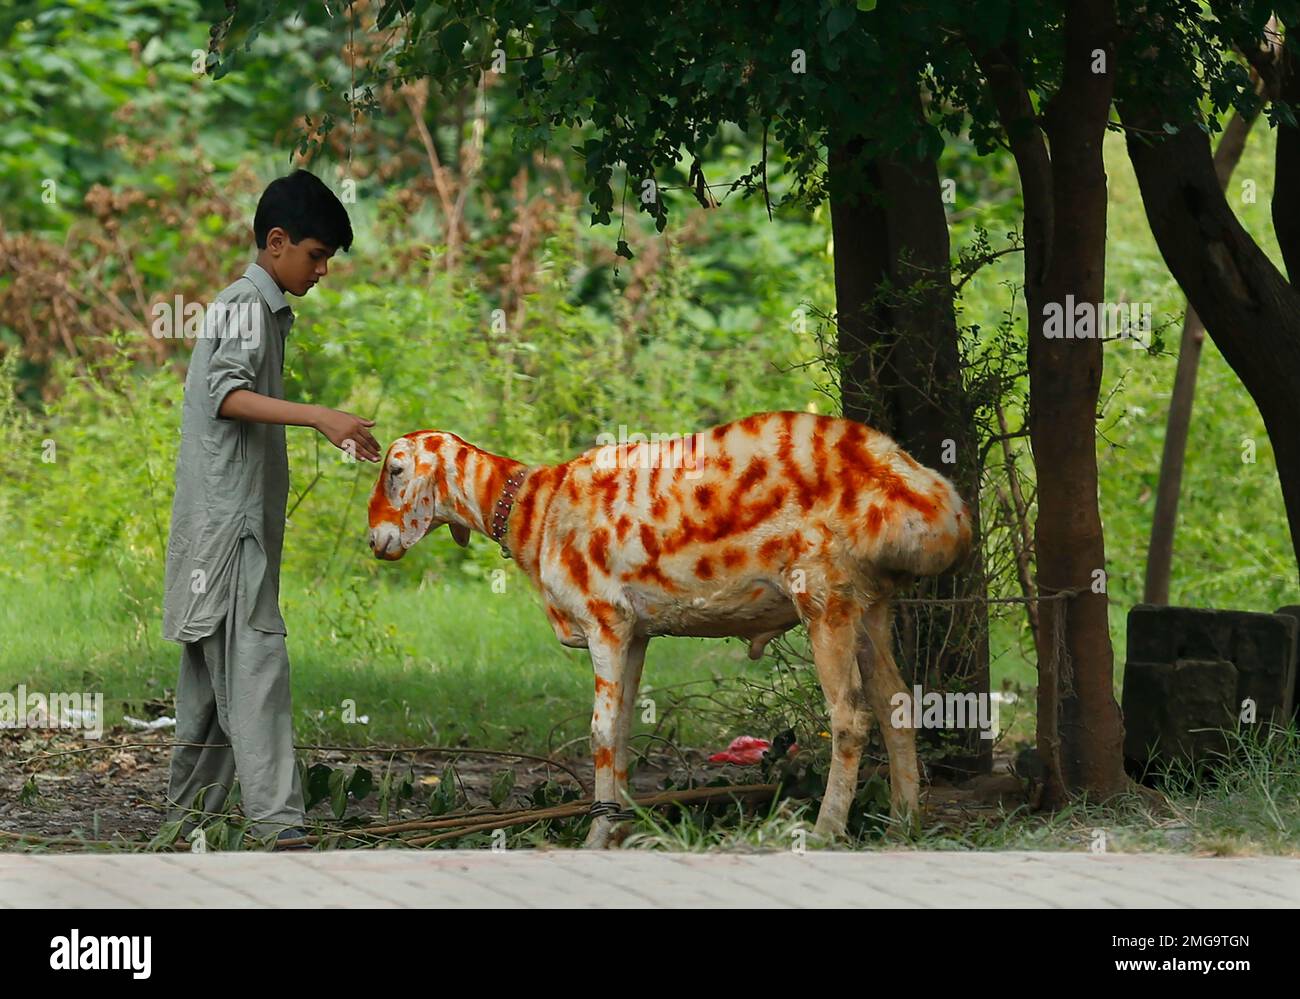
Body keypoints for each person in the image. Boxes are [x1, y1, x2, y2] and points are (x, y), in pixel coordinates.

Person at [161, 169, 380, 848]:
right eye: (315, 255)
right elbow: (224, 394)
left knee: (209, 699)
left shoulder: (261, 307)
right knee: (258, 674)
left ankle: (182, 830)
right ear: (276, 241)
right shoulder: (245, 305)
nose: (320, 271)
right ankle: (283, 833)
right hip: (231, 538)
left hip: (223, 534)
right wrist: (318, 416)